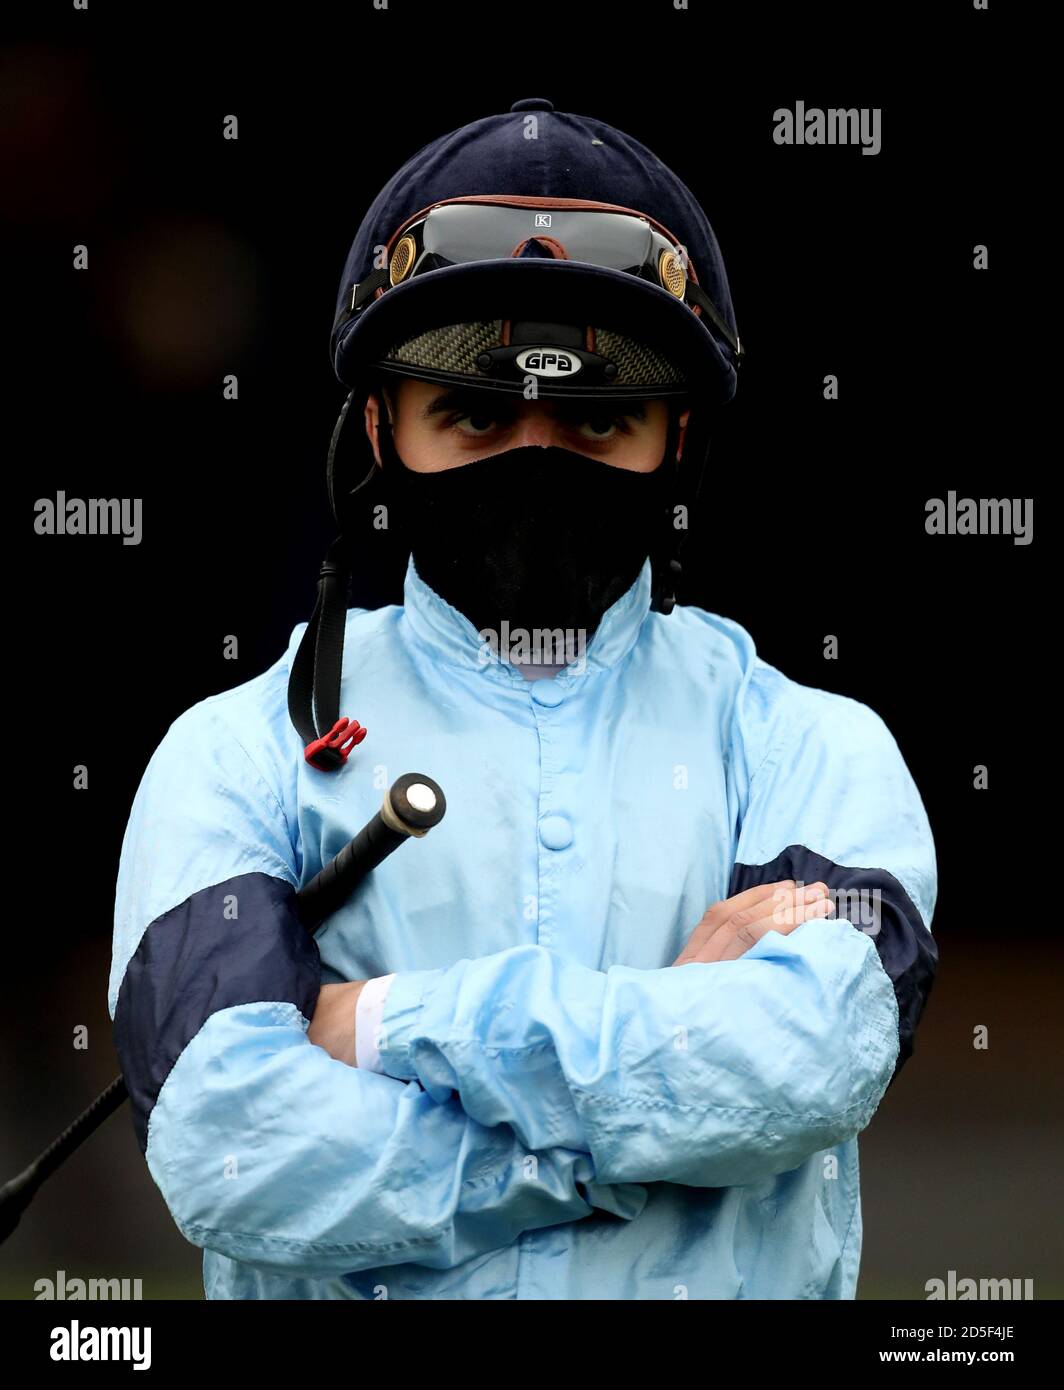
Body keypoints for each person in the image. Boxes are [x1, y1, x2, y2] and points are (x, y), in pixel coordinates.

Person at [109, 98, 938, 1300]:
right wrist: (642, 1121)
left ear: (680, 440)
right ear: (381, 429)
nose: (536, 454)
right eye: (478, 413)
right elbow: (223, 1143)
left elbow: (810, 1055)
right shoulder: (228, 753)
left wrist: (379, 1023)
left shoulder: (817, 747)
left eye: (599, 420)